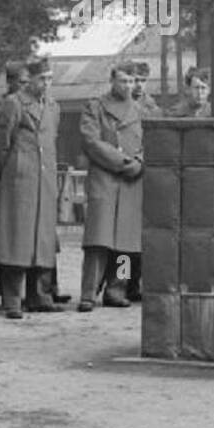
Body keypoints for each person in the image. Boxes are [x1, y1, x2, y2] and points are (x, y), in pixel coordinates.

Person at [0, 57, 61, 319]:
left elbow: (51, 139)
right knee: (15, 239)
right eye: (42, 78)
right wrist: (7, 171)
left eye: (50, 78)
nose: (47, 83)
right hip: (20, 179)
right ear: (29, 79)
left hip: (44, 180)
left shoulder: (53, 106)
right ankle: (12, 300)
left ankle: (39, 296)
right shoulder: (14, 103)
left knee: (42, 239)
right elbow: (1, 142)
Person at [79, 64, 145, 310]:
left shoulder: (140, 110)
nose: (128, 86)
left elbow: (151, 142)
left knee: (125, 244)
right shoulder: (95, 107)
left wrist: (140, 162)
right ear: (112, 81)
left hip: (132, 181)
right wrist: (123, 162)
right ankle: (88, 293)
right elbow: (91, 141)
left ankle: (117, 289)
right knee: (98, 240)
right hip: (104, 178)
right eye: (123, 81)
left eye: (131, 81)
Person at [0, 60, 26, 303]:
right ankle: (8, 293)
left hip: (26, 177)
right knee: (4, 237)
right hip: (1, 175)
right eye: (21, 82)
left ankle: (44, 291)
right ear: (10, 82)